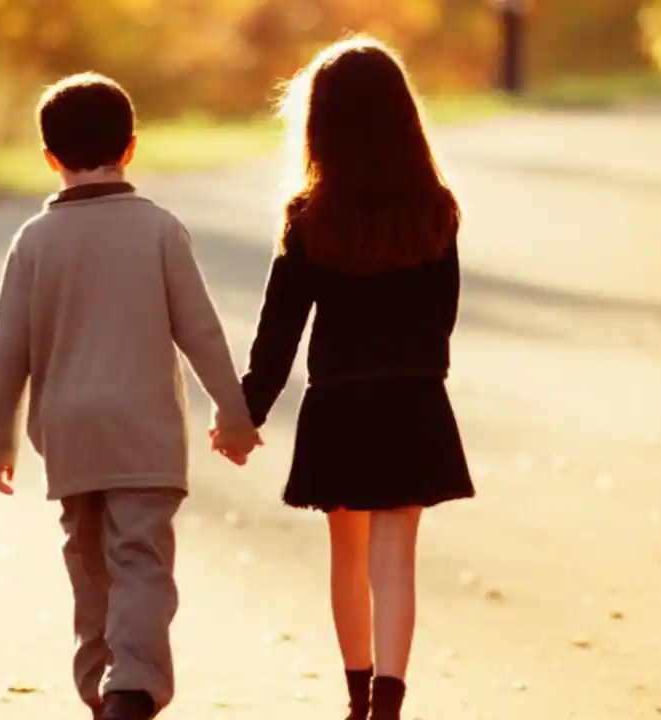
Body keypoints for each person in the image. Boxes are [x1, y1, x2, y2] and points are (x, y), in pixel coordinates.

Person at [0, 72, 261, 720]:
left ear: (50, 159)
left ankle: (96, 686)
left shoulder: (34, 241)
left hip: (70, 435)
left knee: (88, 566)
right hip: (144, 433)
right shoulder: (160, 230)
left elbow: (8, 352)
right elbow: (201, 330)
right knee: (140, 561)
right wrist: (234, 414)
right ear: (131, 147)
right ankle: (130, 688)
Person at [236, 37, 475, 720]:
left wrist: (247, 411)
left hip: (340, 403)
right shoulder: (436, 209)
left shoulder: (311, 216)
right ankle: (391, 703)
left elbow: (278, 329)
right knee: (397, 558)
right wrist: (421, 372)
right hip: (414, 397)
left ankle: (356, 693)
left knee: (349, 554)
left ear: (322, 124)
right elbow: (443, 315)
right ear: (405, 118)